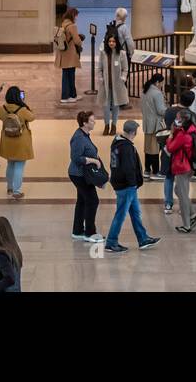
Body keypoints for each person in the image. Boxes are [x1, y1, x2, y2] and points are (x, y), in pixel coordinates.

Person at [104, 119, 162, 253]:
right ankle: (111, 242)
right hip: (126, 186)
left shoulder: (117, 143)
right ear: (133, 132)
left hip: (122, 184)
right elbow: (128, 168)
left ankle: (143, 239)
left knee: (135, 212)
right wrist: (133, 184)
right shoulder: (127, 147)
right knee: (121, 214)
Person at [68, 111, 105, 242]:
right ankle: (90, 232)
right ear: (84, 123)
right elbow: (76, 157)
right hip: (79, 175)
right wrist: (93, 161)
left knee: (82, 201)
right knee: (92, 200)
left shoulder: (84, 135)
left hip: (81, 174)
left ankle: (77, 230)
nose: (94, 122)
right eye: (92, 121)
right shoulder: (79, 137)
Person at [165, 107, 196, 233]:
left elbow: (170, 148)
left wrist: (170, 134)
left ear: (183, 120)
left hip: (182, 166)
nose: (176, 120)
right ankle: (192, 215)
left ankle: (187, 225)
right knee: (179, 191)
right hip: (189, 166)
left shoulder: (182, 134)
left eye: (177, 118)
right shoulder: (193, 129)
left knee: (182, 195)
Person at [0, 85, 35, 198]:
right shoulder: (22, 110)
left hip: (7, 140)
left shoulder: (2, 109)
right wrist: (25, 105)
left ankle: (9, 188)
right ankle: (17, 191)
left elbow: (0, 117)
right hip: (20, 142)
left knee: (10, 164)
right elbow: (32, 117)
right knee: (19, 166)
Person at [99, 31, 129, 136]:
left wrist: (123, 78)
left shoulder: (122, 54)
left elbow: (125, 69)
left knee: (116, 105)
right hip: (106, 85)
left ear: (117, 42)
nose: (111, 43)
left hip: (117, 85)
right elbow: (100, 69)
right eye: (109, 41)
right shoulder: (103, 53)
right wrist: (101, 78)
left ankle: (114, 125)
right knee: (106, 106)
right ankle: (106, 125)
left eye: (113, 41)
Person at [53, 7, 84, 105]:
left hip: (63, 53)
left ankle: (72, 95)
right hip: (70, 54)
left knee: (67, 75)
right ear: (73, 15)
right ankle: (67, 96)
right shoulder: (72, 26)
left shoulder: (63, 24)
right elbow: (77, 41)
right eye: (76, 15)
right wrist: (81, 39)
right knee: (70, 75)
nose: (76, 17)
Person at [140, 73, 166, 179]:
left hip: (147, 123)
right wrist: (169, 109)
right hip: (156, 125)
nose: (162, 85)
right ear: (157, 82)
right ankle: (155, 172)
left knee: (147, 148)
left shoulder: (145, 91)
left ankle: (147, 170)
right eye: (161, 83)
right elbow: (161, 111)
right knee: (155, 149)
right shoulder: (157, 93)